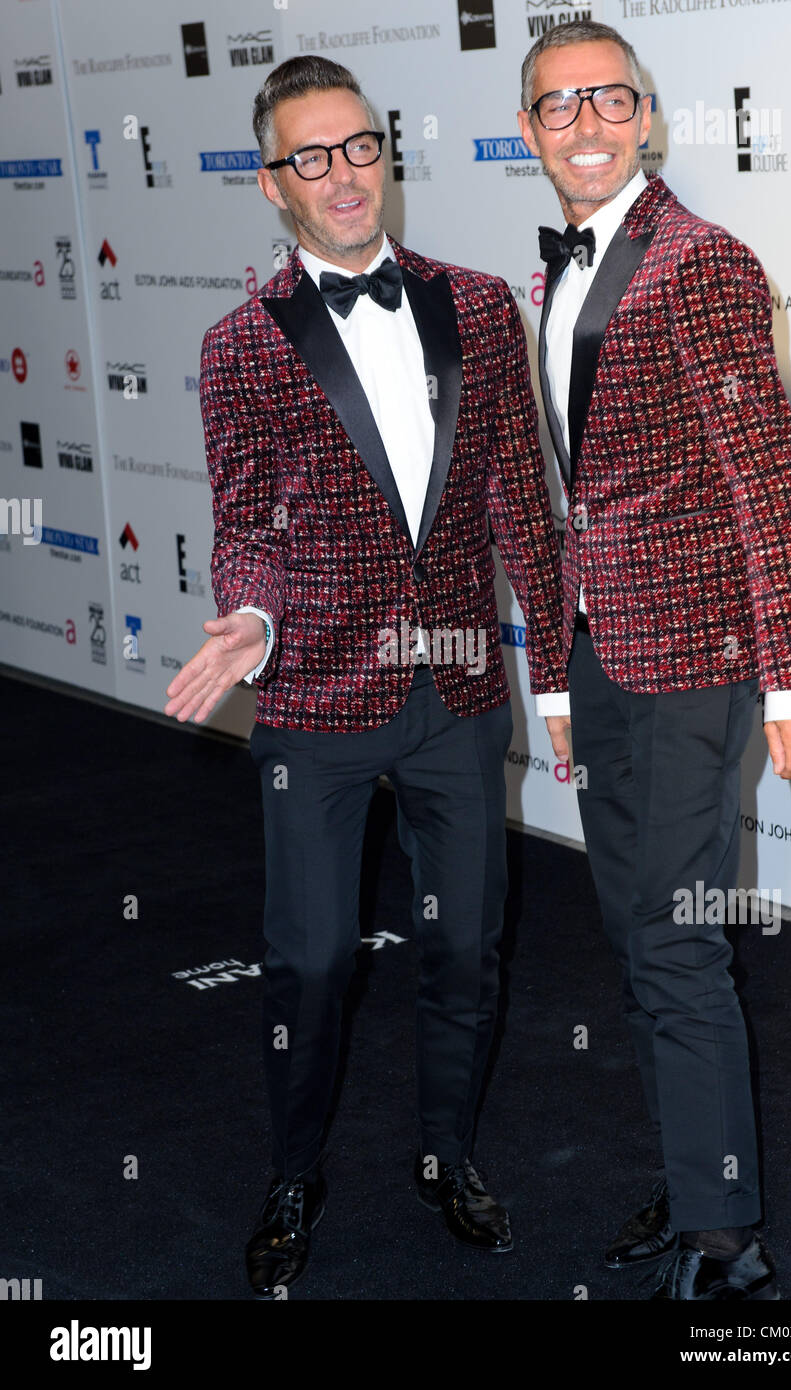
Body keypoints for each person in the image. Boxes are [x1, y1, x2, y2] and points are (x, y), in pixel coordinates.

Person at [164, 54, 567, 1299]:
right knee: (313, 959)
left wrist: (551, 679)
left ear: (383, 152)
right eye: (309, 158)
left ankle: (446, 1155)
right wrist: (248, 614)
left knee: (465, 949)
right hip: (314, 696)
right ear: (273, 185)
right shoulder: (237, 345)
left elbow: (520, 504)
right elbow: (246, 522)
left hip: (451, 693)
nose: (341, 175)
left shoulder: (481, 305)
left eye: (357, 147)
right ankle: (295, 1170)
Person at [517, 19, 791, 1300]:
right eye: (558, 106)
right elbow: (577, 498)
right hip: (607, 656)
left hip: (697, 660)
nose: (587, 124)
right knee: (631, 926)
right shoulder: (568, 267)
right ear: (534, 131)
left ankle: (728, 1245)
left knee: (673, 941)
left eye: (609, 99)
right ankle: (694, 1162)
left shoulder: (702, 263)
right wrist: (555, 672)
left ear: (648, 118)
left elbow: (768, 477)